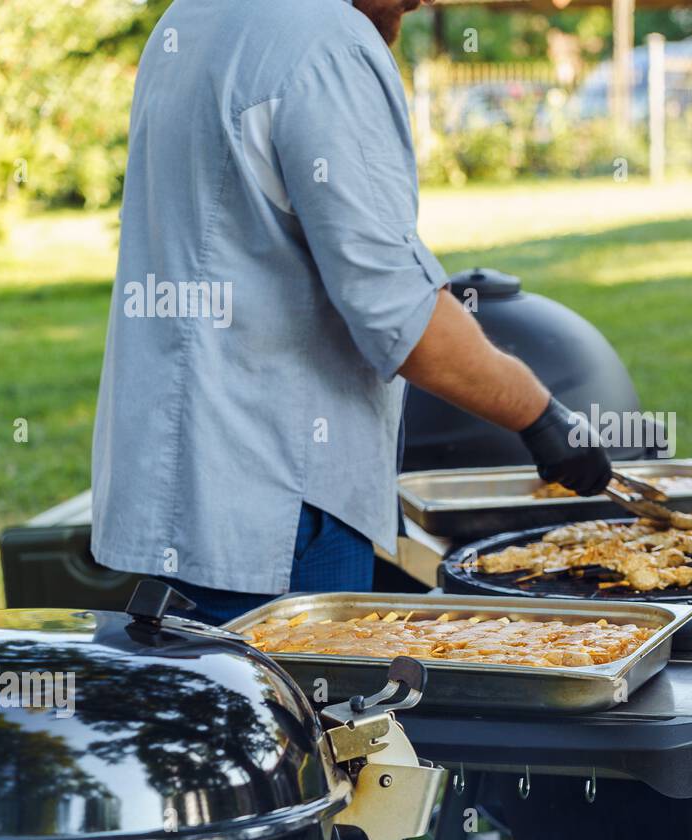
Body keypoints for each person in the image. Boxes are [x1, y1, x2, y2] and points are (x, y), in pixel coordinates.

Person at [90, 0, 610, 623]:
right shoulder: (327, 43)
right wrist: (542, 418)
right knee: (310, 716)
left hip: (180, 490)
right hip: (282, 505)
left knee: (214, 710)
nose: (421, 2)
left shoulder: (193, 16)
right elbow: (400, 317)